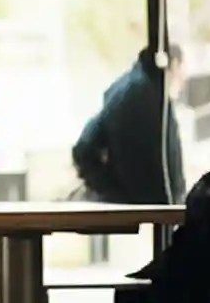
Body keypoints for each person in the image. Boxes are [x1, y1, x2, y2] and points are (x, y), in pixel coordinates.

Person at [72, 46, 185, 206]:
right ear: (172, 65)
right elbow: (170, 169)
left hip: (130, 204)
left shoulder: (124, 87)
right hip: (149, 206)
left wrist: (110, 189)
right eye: (181, 73)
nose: (182, 81)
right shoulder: (153, 97)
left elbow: (84, 148)